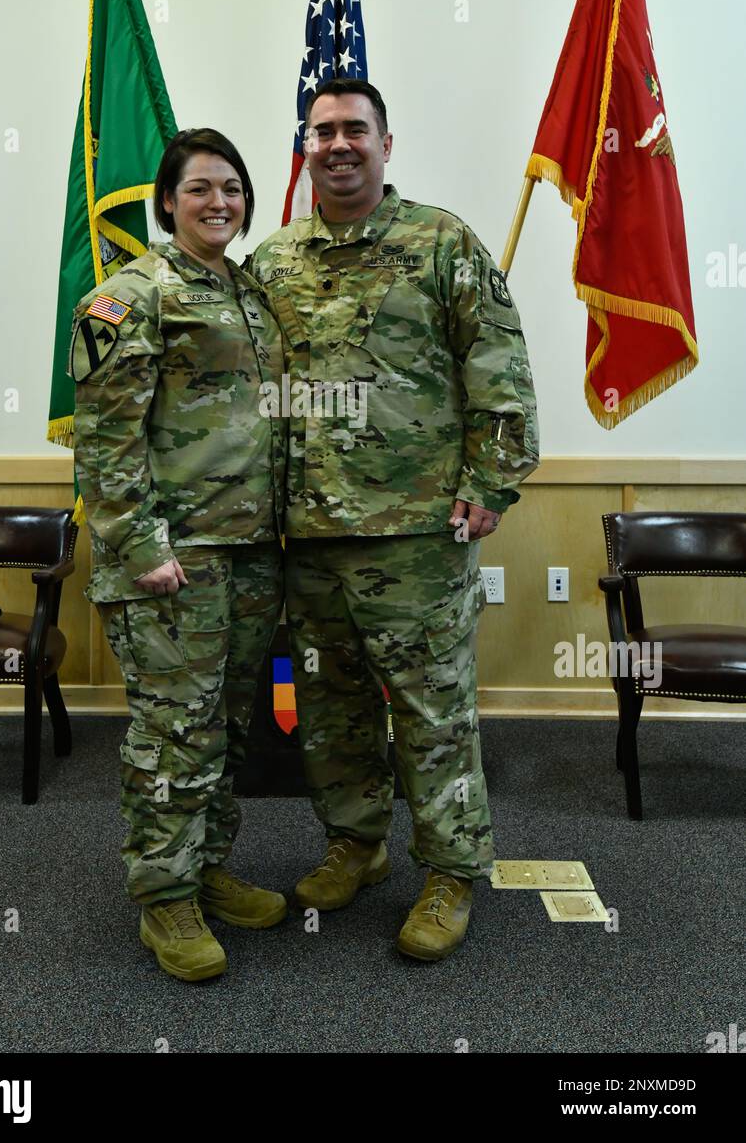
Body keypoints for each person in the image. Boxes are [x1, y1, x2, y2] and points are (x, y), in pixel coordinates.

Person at [246, 79, 539, 961]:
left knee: (431, 708)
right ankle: (356, 845)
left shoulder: (442, 242)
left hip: (415, 533)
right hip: (307, 534)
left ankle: (450, 873)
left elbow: (501, 371)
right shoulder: (273, 260)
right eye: (322, 131)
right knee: (330, 709)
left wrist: (491, 481)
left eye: (355, 130)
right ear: (305, 146)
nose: (338, 144)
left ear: (385, 142)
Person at [70, 128, 287, 983]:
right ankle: (164, 898)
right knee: (173, 734)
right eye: (199, 189)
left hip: (247, 555)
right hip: (171, 558)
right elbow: (105, 439)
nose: (219, 203)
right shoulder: (128, 297)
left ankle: (206, 867)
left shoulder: (249, 292)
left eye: (232, 188)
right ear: (167, 201)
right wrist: (139, 544)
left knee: (227, 729)